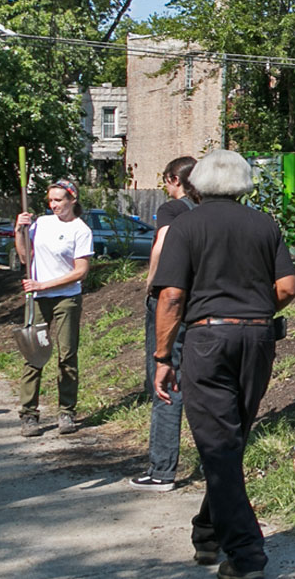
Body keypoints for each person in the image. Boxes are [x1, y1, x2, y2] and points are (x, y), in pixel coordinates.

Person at [153, 150, 295, 579]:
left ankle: (248, 555)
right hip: (257, 338)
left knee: (218, 447)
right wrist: (254, 310)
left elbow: (172, 297)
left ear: (197, 184)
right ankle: (207, 534)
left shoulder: (186, 226)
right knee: (229, 442)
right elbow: (288, 287)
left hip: (207, 340)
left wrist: (163, 357)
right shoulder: (265, 224)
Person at [132, 156, 197, 491]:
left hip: (170, 298)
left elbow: (161, 243)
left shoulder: (172, 210)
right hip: (199, 300)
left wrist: (152, 283)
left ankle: (161, 470)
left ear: (174, 179)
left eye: (165, 180)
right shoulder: (202, 209)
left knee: (165, 380)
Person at [13, 179, 94, 437]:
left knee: (66, 356)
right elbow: (26, 257)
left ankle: (66, 412)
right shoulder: (42, 224)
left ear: (72, 200)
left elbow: (80, 272)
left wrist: (45, 284)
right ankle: (29, 415)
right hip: (38, 298)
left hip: (66, 298)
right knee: (33, 353)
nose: (53, 205)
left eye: (59, 200)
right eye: (51, 200)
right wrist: (19, 231)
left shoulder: (81, 230)